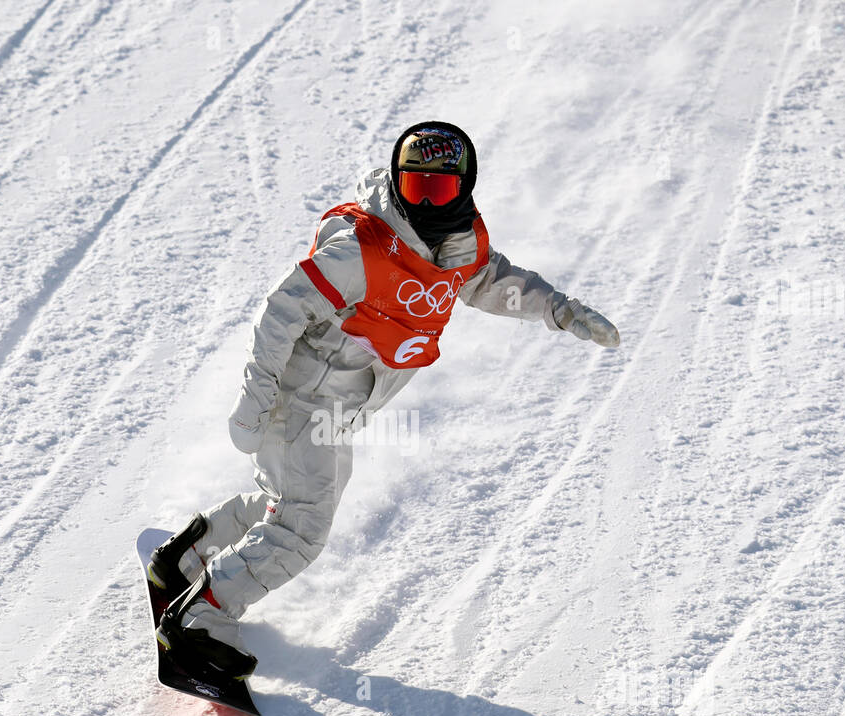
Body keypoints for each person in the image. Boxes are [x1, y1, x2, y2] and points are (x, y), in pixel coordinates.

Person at [147, 120, 619, 681]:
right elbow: (280, 313)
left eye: (438, 190)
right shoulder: (361, 250)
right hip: (303, 401)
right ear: (396, 181)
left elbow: (489, 280)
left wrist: (557, 309)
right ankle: (199, 621)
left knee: (286, 498)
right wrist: (255, 397)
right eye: (413, 186)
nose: (422, 200)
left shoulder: (459, 246)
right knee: (301, 530)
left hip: (337, 408)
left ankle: (186, 561)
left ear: (463, 188)